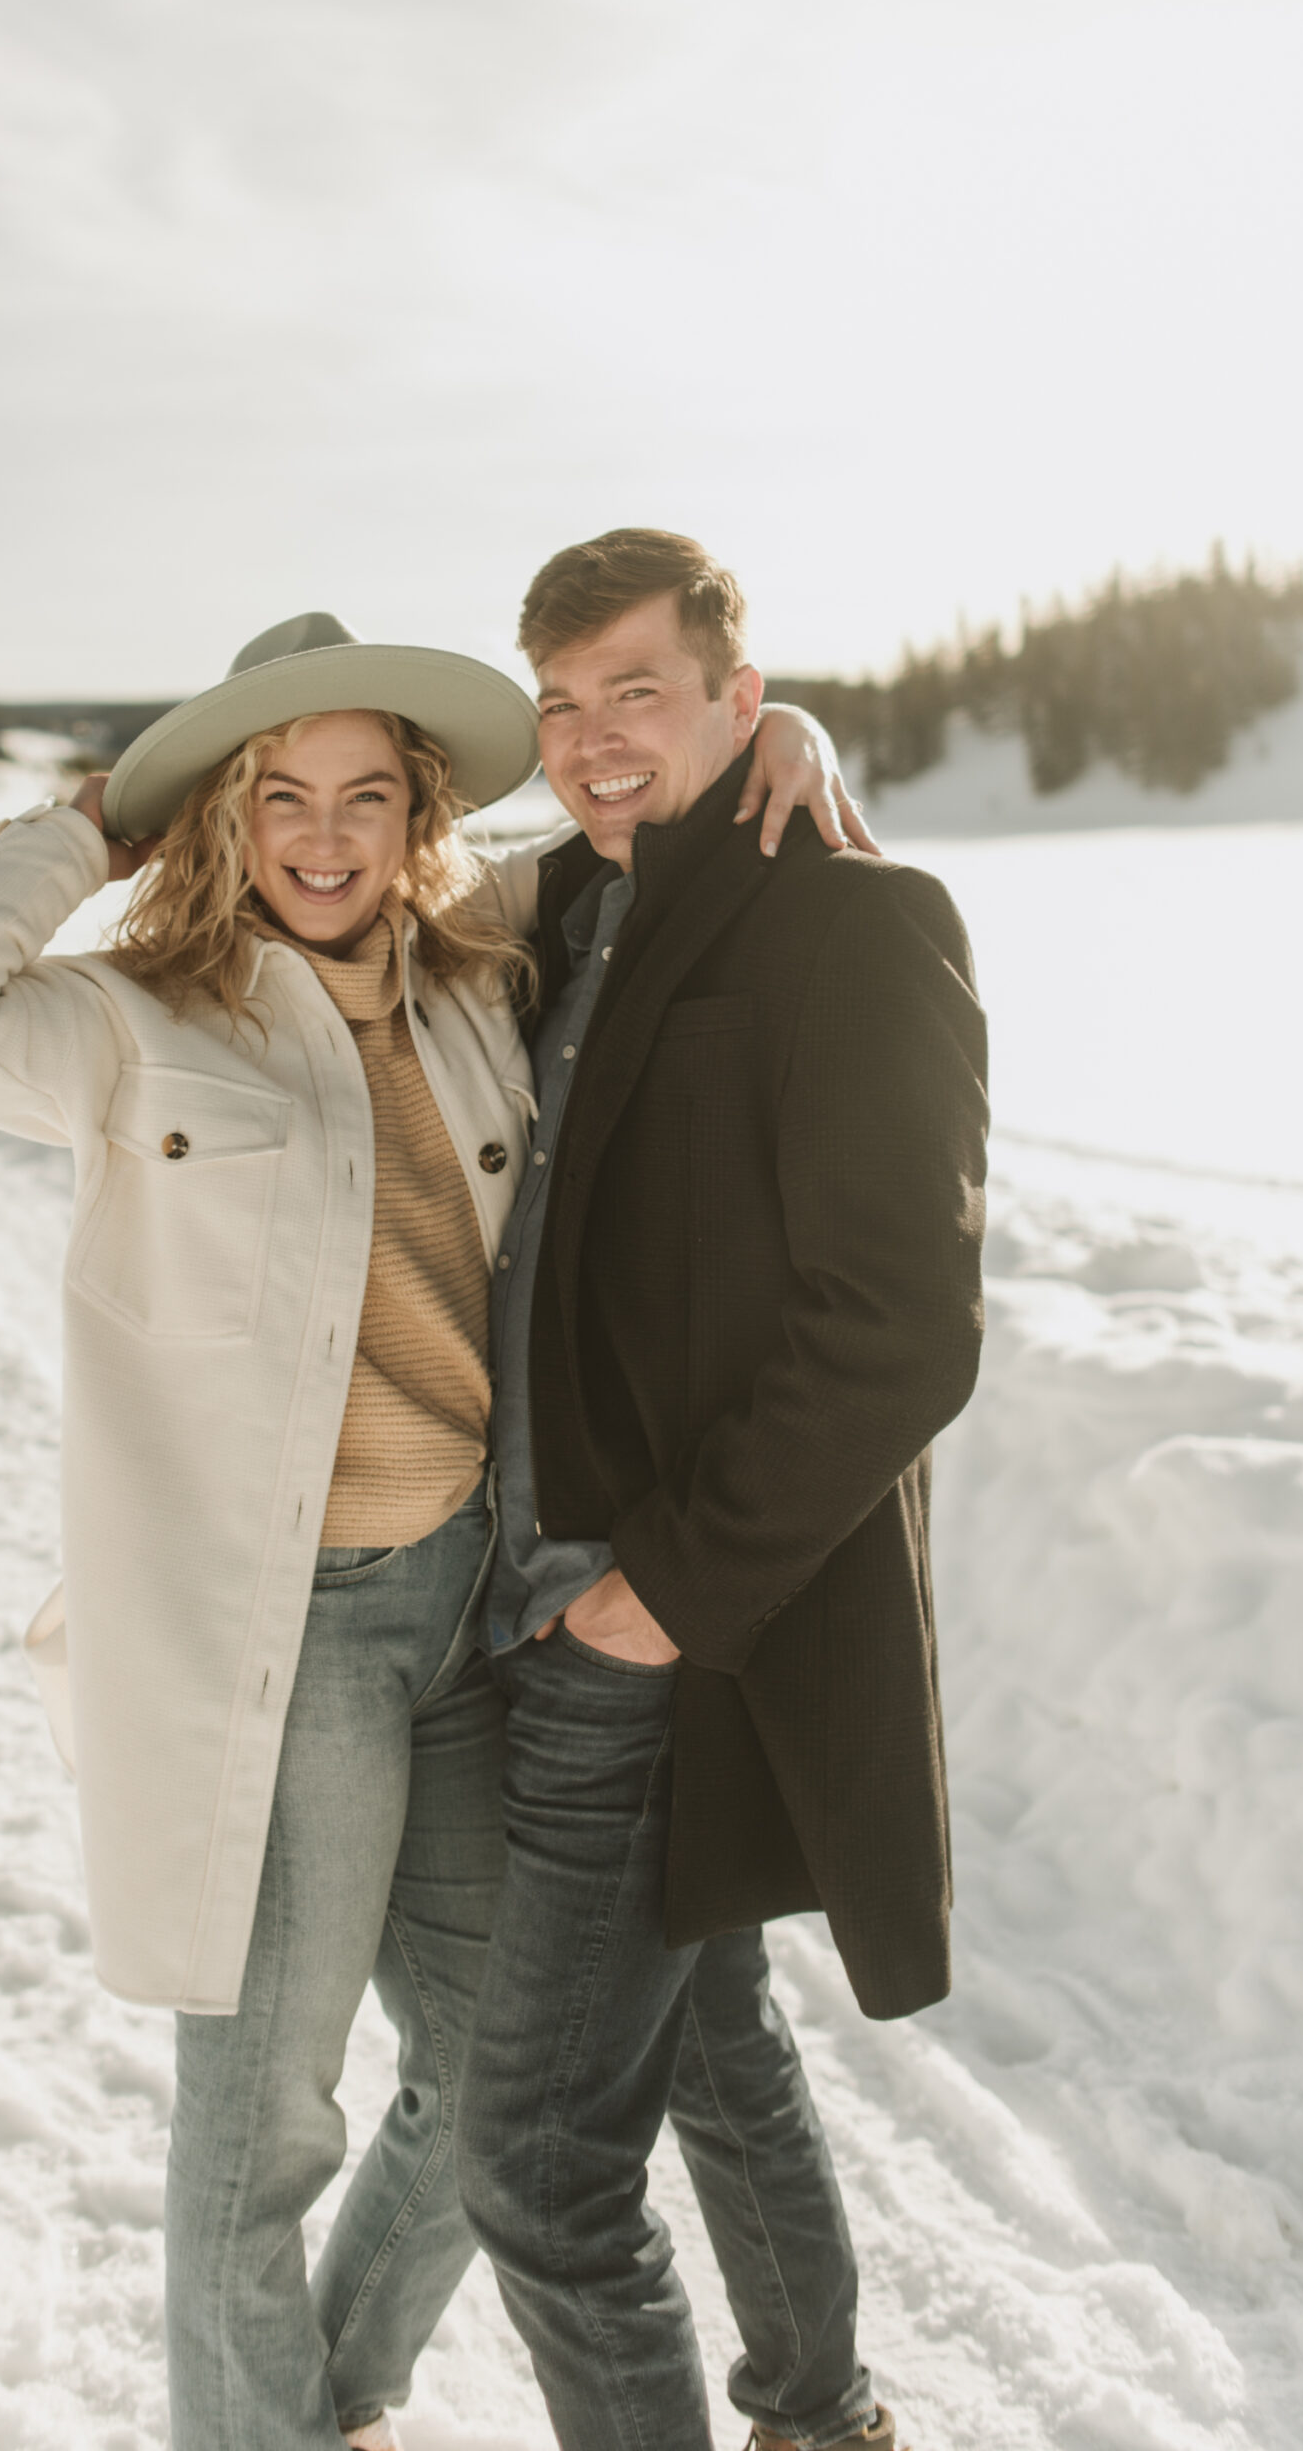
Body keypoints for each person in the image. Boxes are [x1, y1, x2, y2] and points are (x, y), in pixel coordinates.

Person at [0, 606, 864, 2451]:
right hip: (281, 1640)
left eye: (366, 797)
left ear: (417, 821)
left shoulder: (482, 989)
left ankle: (333, 2393)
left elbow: (638, 821)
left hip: (466, 1613)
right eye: (280, 797)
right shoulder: (127, 1029)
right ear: (227, 820)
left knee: (490, 2090)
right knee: (261, 2126)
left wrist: (773, 740)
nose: (325, 836)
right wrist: (89, 827)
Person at [453, 530, 990, 2451]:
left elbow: (902, 1324)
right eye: (564, 703)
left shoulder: (852, 921)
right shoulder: (558, 917)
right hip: (531, 1593)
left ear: (734, 702)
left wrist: (654, 1597)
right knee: (708, 2041)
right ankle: (820, 2409)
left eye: (639, 693)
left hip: (652, 1614)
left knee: (527, 2155)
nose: (595, 740)